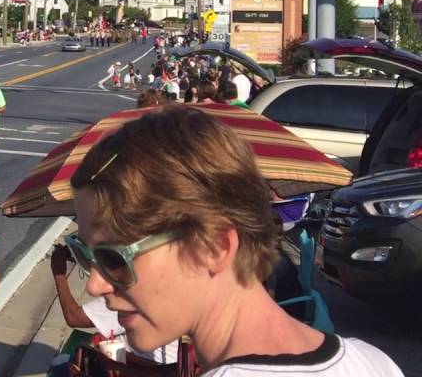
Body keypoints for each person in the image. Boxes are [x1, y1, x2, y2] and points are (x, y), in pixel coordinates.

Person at [69, 107, 403, 376]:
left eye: (114, 258)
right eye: (84, 254)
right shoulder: (374, 363)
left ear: (214, 247)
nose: (95, 286)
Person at [48, 244, 180, 364]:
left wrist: (59, 274)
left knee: (60, 364)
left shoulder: (128, 296)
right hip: (171, 367)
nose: (94, 287)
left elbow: (74, 317)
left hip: (131, 366)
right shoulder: (175, 289)